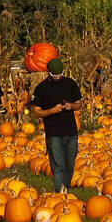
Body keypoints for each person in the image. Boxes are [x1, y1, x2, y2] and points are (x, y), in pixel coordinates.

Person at [30, 58, 82, 192]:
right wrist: (52, 110)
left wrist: (71, 106)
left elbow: (79, 104)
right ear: (49, 73)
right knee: (58, 166)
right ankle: (61, 193)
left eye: (60, 74)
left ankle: (65, 190)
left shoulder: (70, 84)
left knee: (70, 165)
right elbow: (36, 113)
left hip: (71, 132)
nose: (58, 77)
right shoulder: (41, 89)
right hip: (54, 134)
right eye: (55, 75)